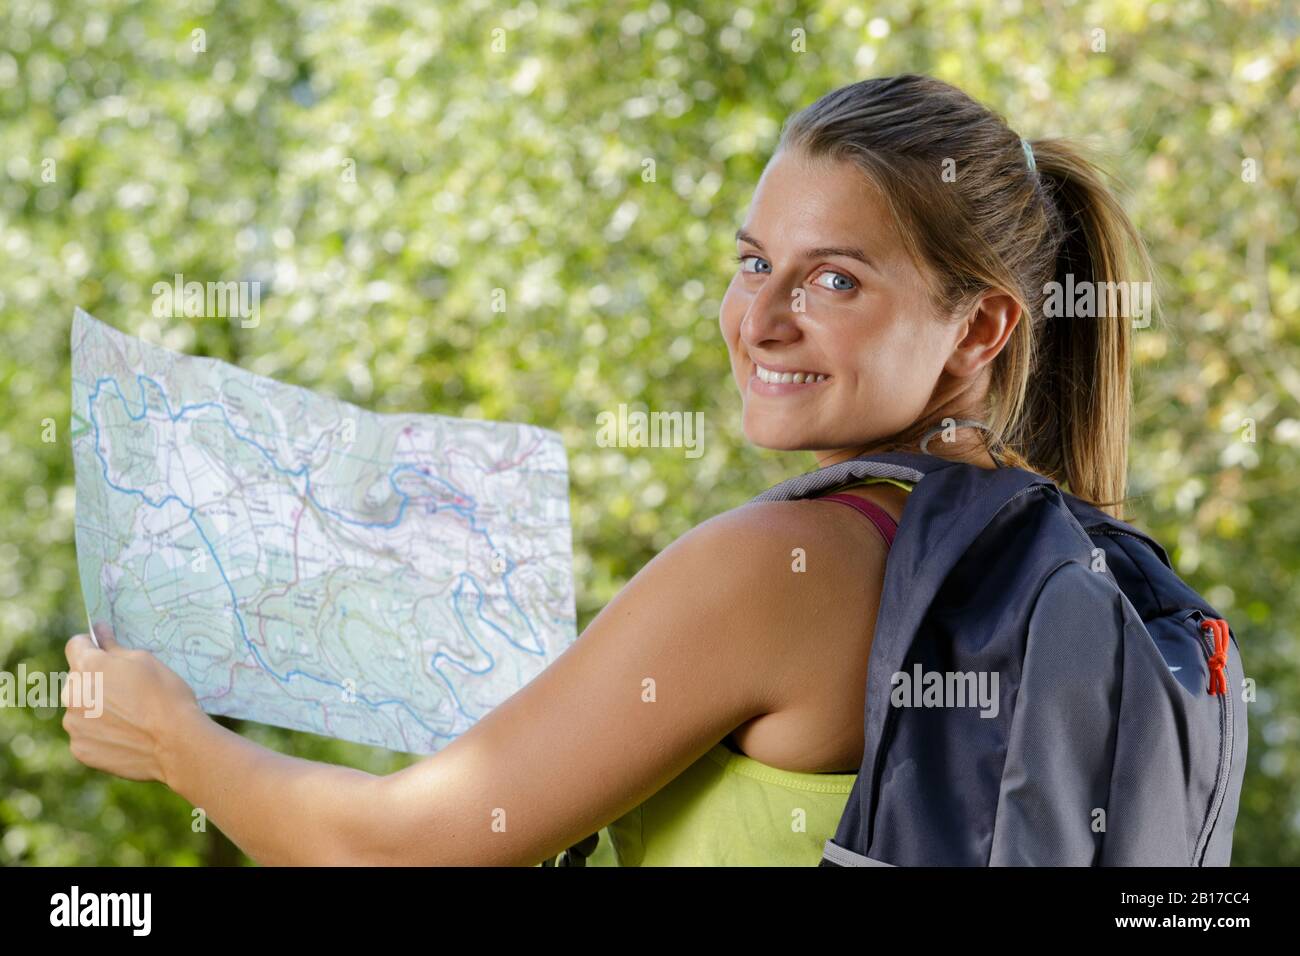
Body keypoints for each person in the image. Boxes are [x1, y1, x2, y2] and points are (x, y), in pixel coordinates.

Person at [62, 74, 1152, 866]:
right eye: (753, 262)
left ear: (978, 330)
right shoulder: (1044, 547)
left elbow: (391, 852)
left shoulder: (787, 562)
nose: (759, 319)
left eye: (832, 280)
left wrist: (175, 740)